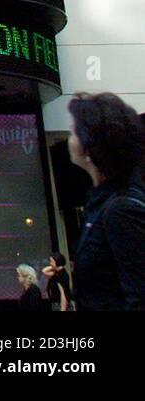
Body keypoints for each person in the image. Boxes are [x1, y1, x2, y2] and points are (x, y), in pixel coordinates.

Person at [66, 92, 145, 310]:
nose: (68, 137)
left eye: (73, 132)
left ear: (90, 147)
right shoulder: (103, 203)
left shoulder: (120, 210)